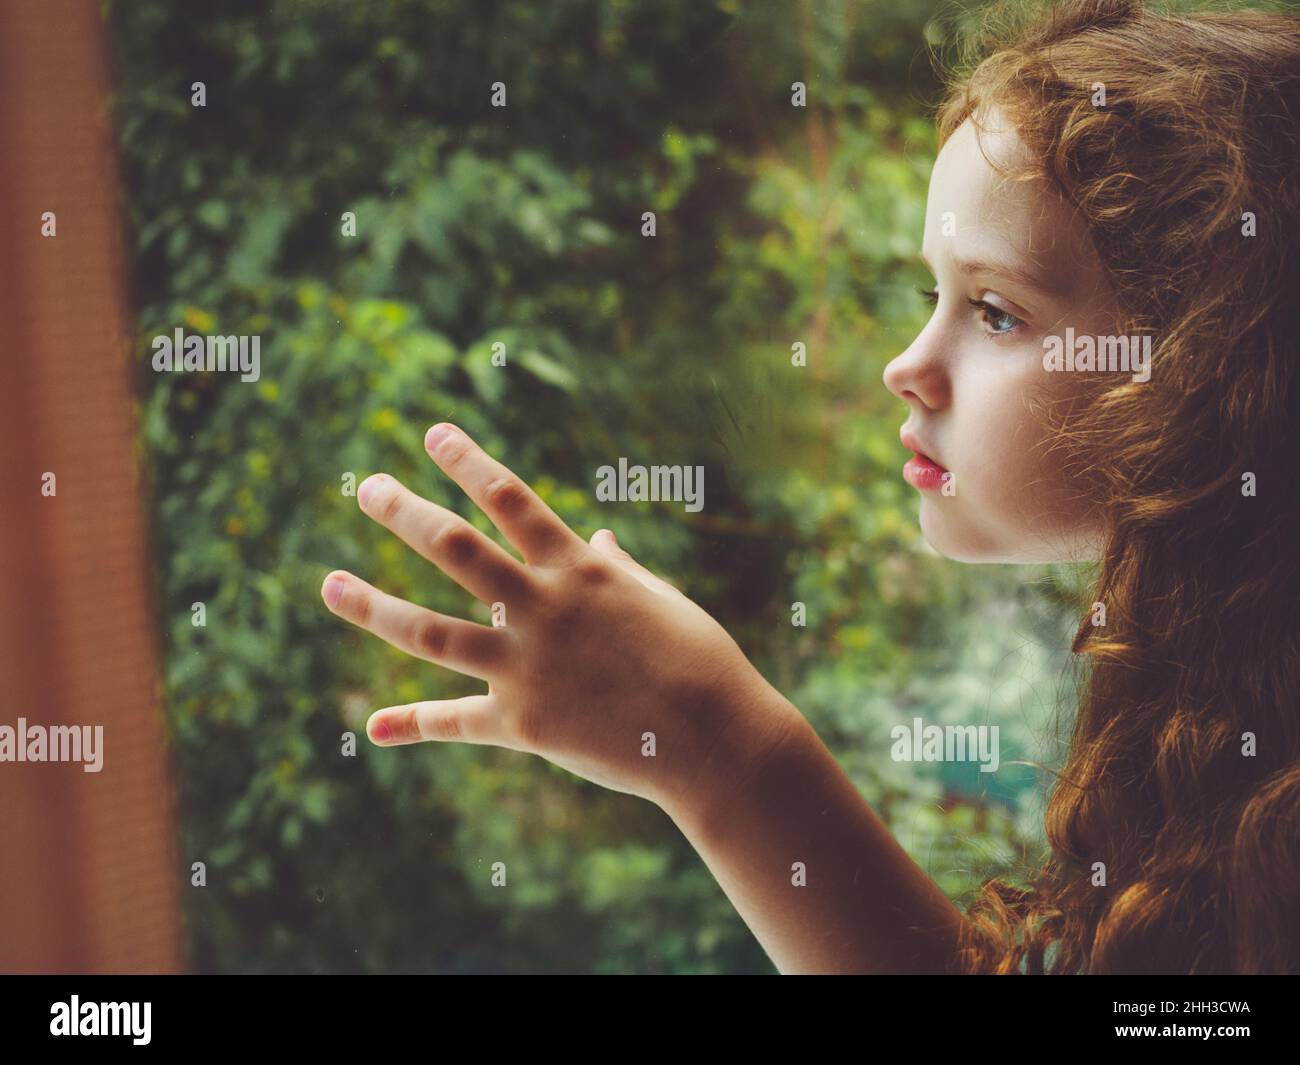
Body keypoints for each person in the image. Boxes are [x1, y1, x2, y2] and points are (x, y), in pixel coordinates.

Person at [320, 0, 1300, 974]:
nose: (905, 366)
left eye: (994, 312)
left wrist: (717, 742)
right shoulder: (1212, 725)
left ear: (1212, 366)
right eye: (933, 296)